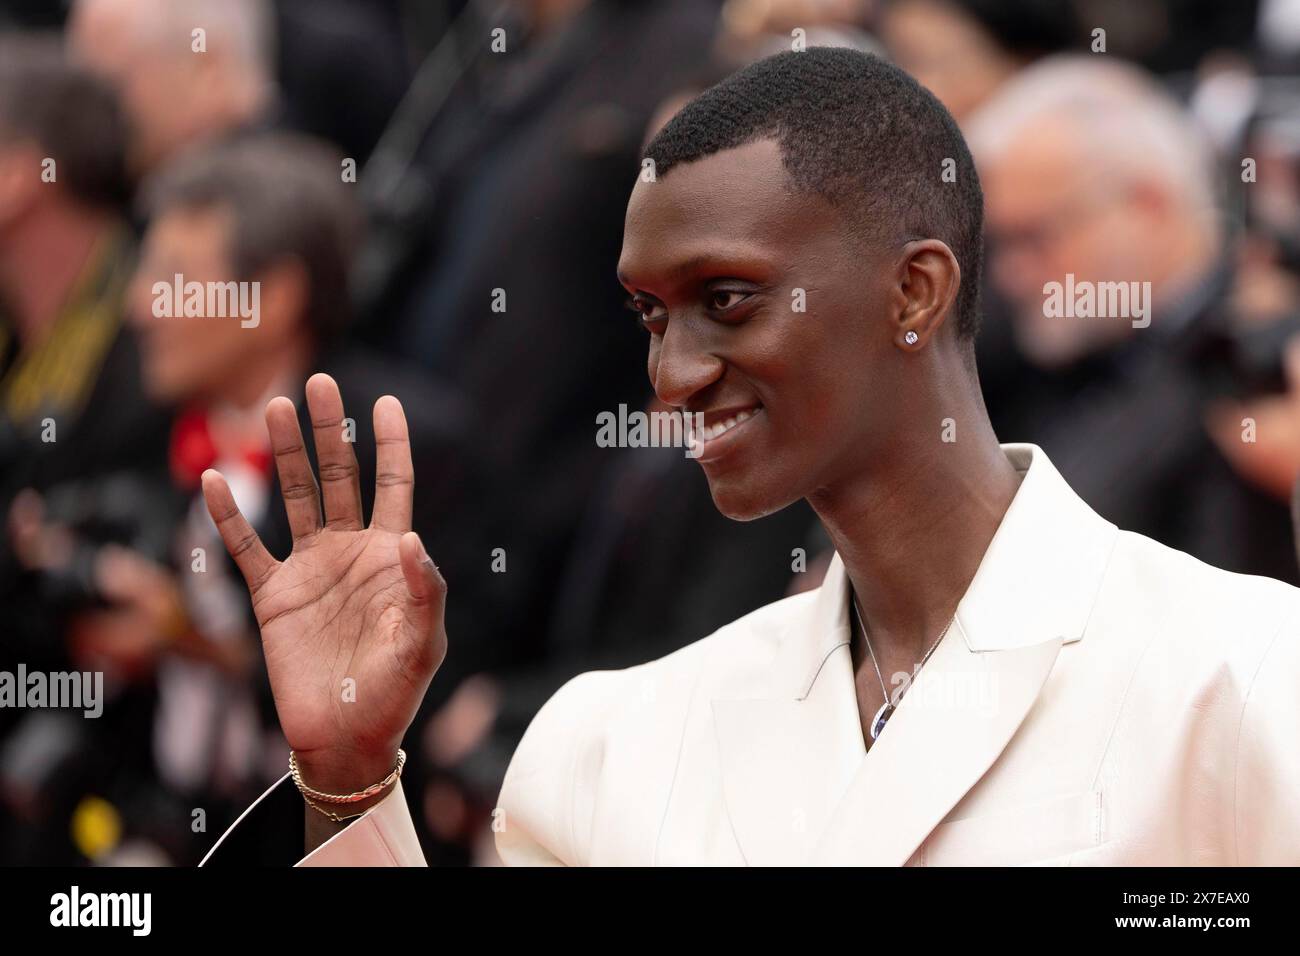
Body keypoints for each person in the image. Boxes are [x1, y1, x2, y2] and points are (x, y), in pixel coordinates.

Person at [201, 48, 1300, 866]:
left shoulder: (1243, 677)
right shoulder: (606, 742)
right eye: (647, 315)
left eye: (727, 300)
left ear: (914, 289)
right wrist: (347, 781)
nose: (673, 374)